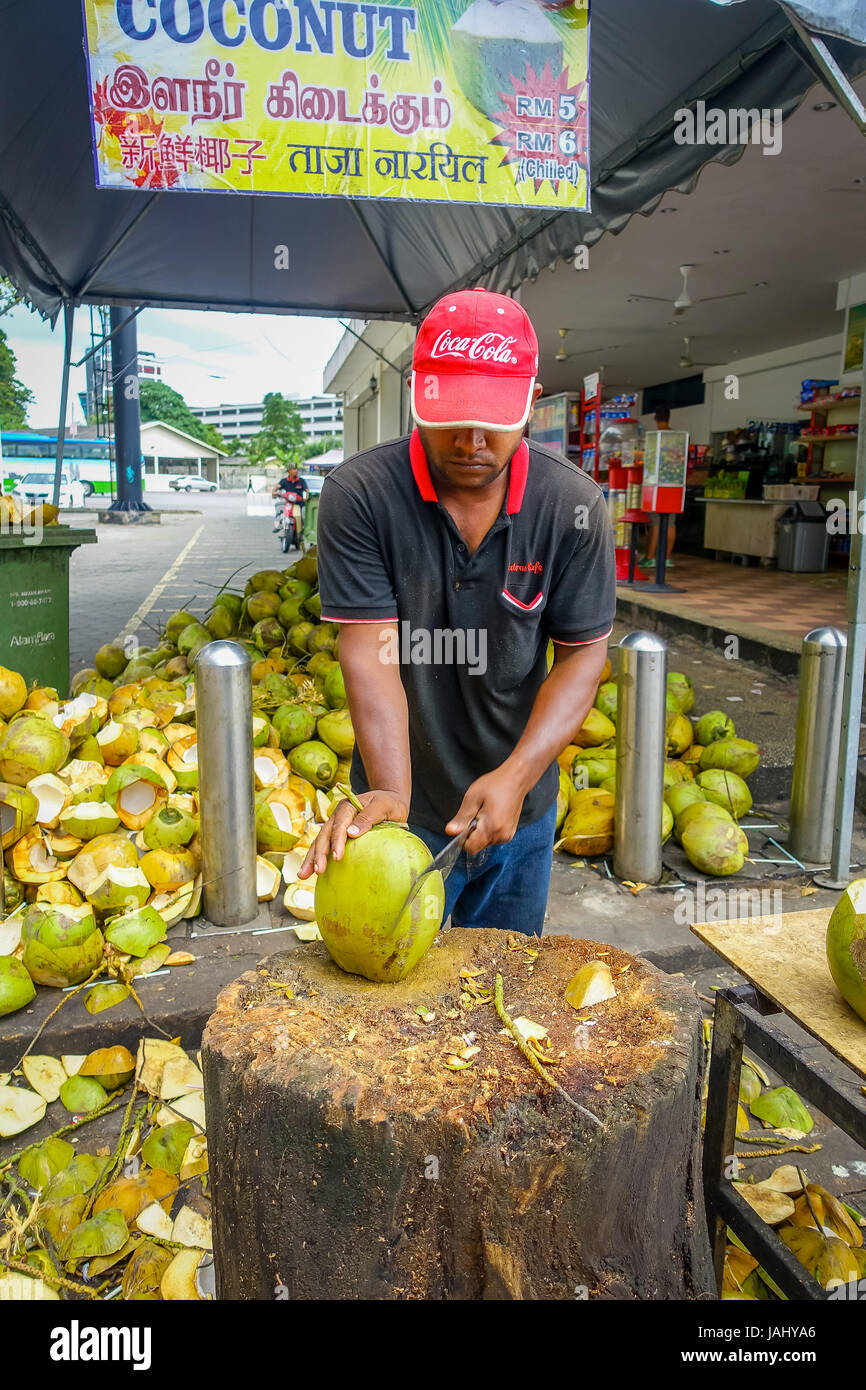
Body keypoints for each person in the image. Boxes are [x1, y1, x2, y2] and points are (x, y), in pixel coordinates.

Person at [298, 288, 616, 937]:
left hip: (521, 817)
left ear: (529, 402)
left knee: (498, 1001)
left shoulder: (573, 507)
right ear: (421, 394)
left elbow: (583, 658)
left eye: (494, 417)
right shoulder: (360, 496)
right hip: (400, 817)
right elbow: (370, 651)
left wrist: (519, 775)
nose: (472, 440)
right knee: (394, 1006)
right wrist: (390, 791)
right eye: (454, 415)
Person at [644, 405, 675, 570]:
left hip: (656, 485)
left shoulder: (655, 438)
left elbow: (648, 461)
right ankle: (668, 558)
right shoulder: (676, 437)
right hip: (674, 485)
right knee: (670, 523)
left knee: (655, 523)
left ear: (655, 418)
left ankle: (650, 557)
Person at [272, 465, 309, 535]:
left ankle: (304, 530)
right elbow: (276, 487)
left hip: (299, 504)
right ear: (289, 471)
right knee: (278, 507)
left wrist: (306, 498)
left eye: (296, 469)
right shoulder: (284, 481)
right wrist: (274, 492)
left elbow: (306, 491)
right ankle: (278, 525)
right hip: (288, 503)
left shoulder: (301, 481)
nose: (296, 471)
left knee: (303, 515)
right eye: (294, 469)